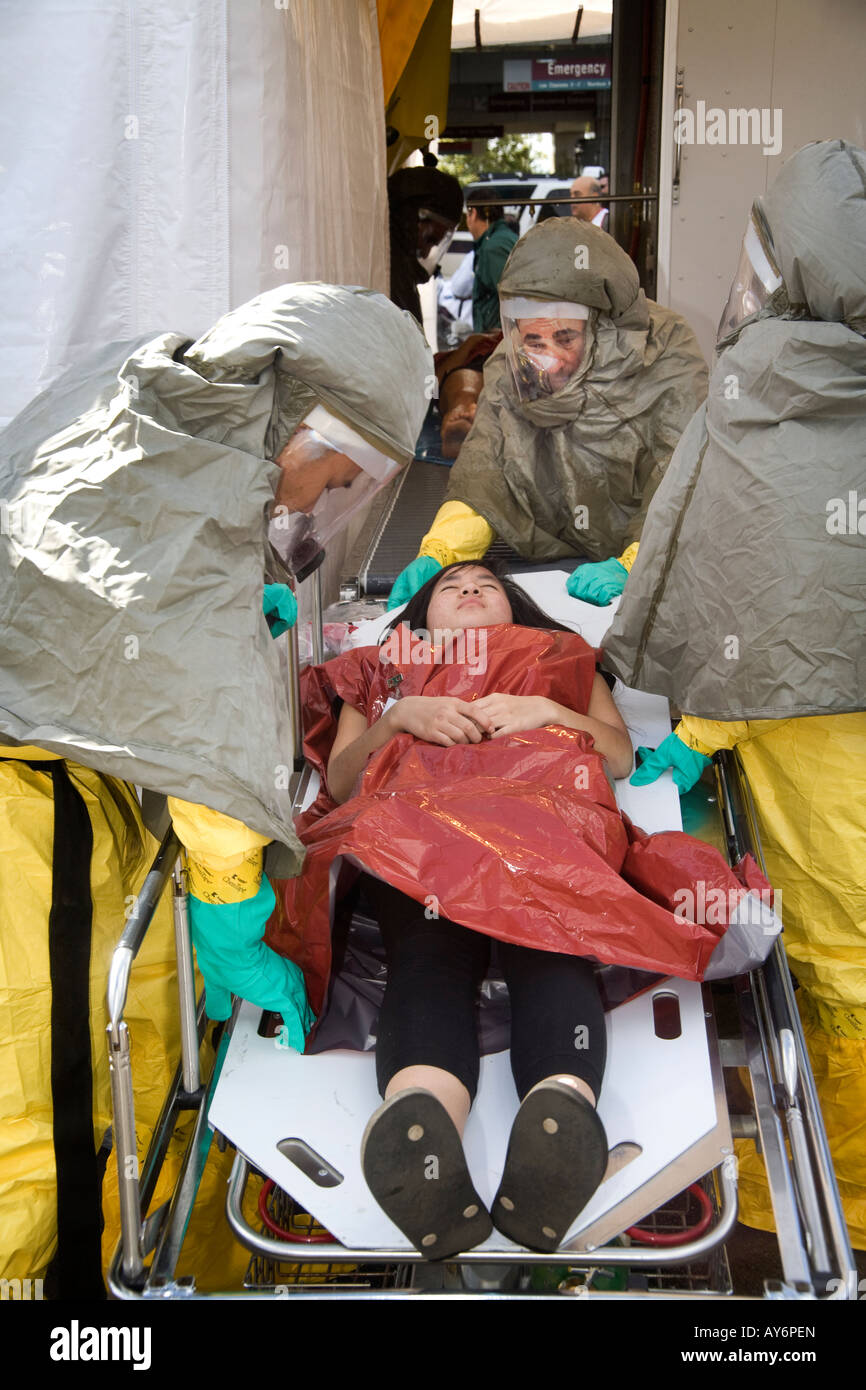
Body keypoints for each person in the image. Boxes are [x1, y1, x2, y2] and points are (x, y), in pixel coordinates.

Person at [0, 281, 432, 1292]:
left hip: (69, 773)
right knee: (50, 1102)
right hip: (36, 819)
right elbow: (184, 720)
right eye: (339, 465)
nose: (326, 490)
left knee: (122, 1065)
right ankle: (73, 1300)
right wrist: (236, 913)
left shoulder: (142, 392)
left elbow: (112, 591)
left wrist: (235, 611)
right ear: (300, 417)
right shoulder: (201, 487)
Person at [266, 560, 778, 1258]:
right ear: (420, 615)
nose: (470, 589)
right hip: (417, 820)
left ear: (517, 609)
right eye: (450, 586)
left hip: (545, 811)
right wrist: (398, 721)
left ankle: (551, 1118)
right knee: (435, 953)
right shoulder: (384, 663)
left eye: (487, 584)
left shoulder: (562, 654)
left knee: (547, 939)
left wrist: (547, 712)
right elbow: (344, 779)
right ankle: (428, 1120)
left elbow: (621, 756)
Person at [602, 139, 866, 1248]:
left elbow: (755, 581)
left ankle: (838, 1207)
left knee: (845, 970)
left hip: (821, 765)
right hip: (815, 741)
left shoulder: (763, 390)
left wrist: (696, 719)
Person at [387, 217, 707, 611]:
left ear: (602, 328)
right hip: (560, 550)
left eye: (565, 338)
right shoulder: (515, 360)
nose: (548, 362)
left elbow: (680, 471)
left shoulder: (667, 354)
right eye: (534, 340)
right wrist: (440, 552)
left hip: (658, 557)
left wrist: (638, 563)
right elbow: (485, 464)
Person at [387, 165, 464, 321]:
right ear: (408, 221)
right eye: (430, 239)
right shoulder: (389, 275)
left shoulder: (400, 274)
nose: (426, 253)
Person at [465, 200, 519, 332]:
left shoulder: (493, 247)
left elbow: (511, 296)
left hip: (497, 337)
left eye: (467, 214)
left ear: (474, 213)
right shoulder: (505, 237)